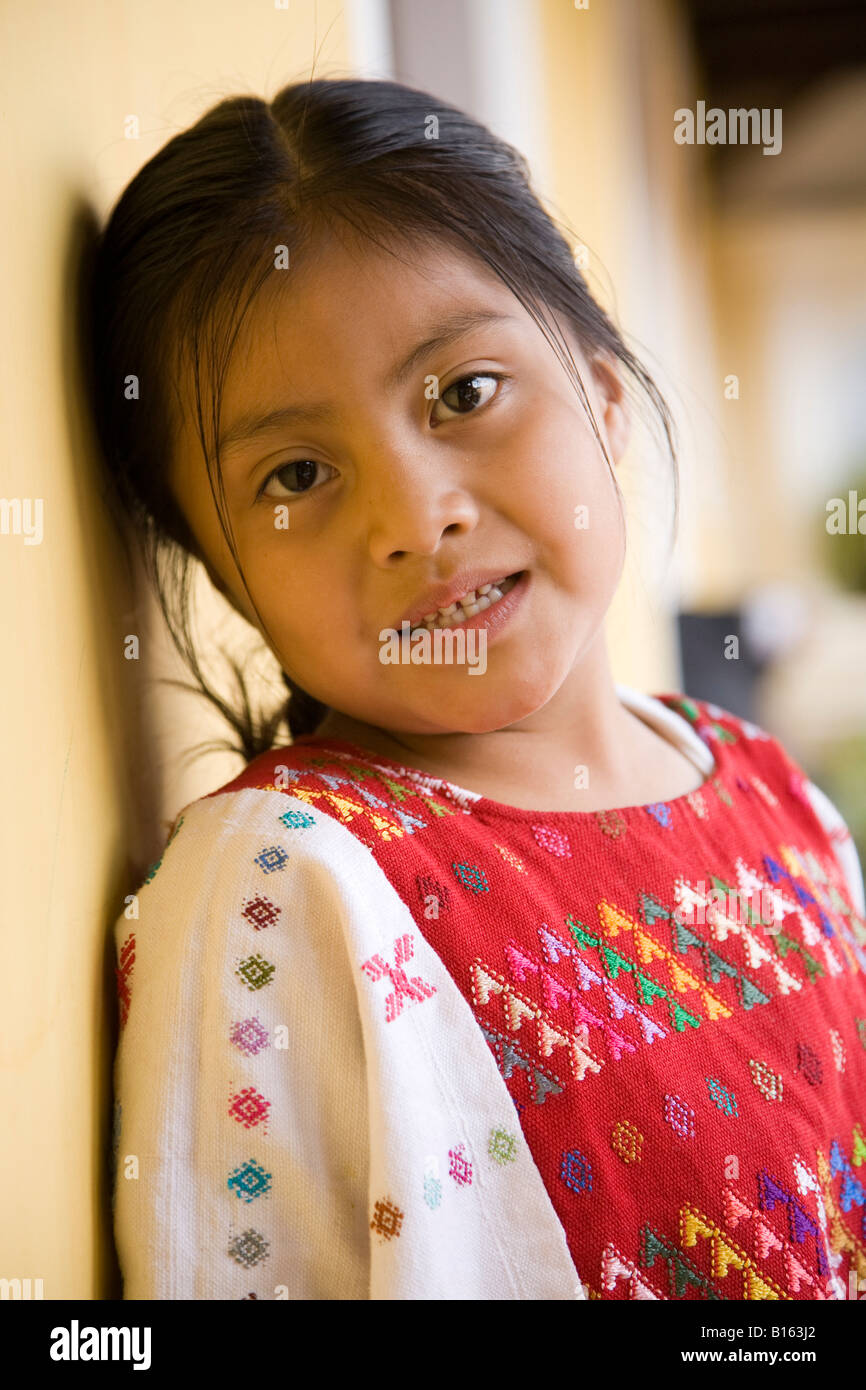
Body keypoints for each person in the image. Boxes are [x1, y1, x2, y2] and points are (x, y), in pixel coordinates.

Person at [89, 78, 866, 1301]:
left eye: (462, 392)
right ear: (223, 575)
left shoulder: (774, 794)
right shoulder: (286, 888)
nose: (414, 518)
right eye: (296, 471)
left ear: (604, 394)